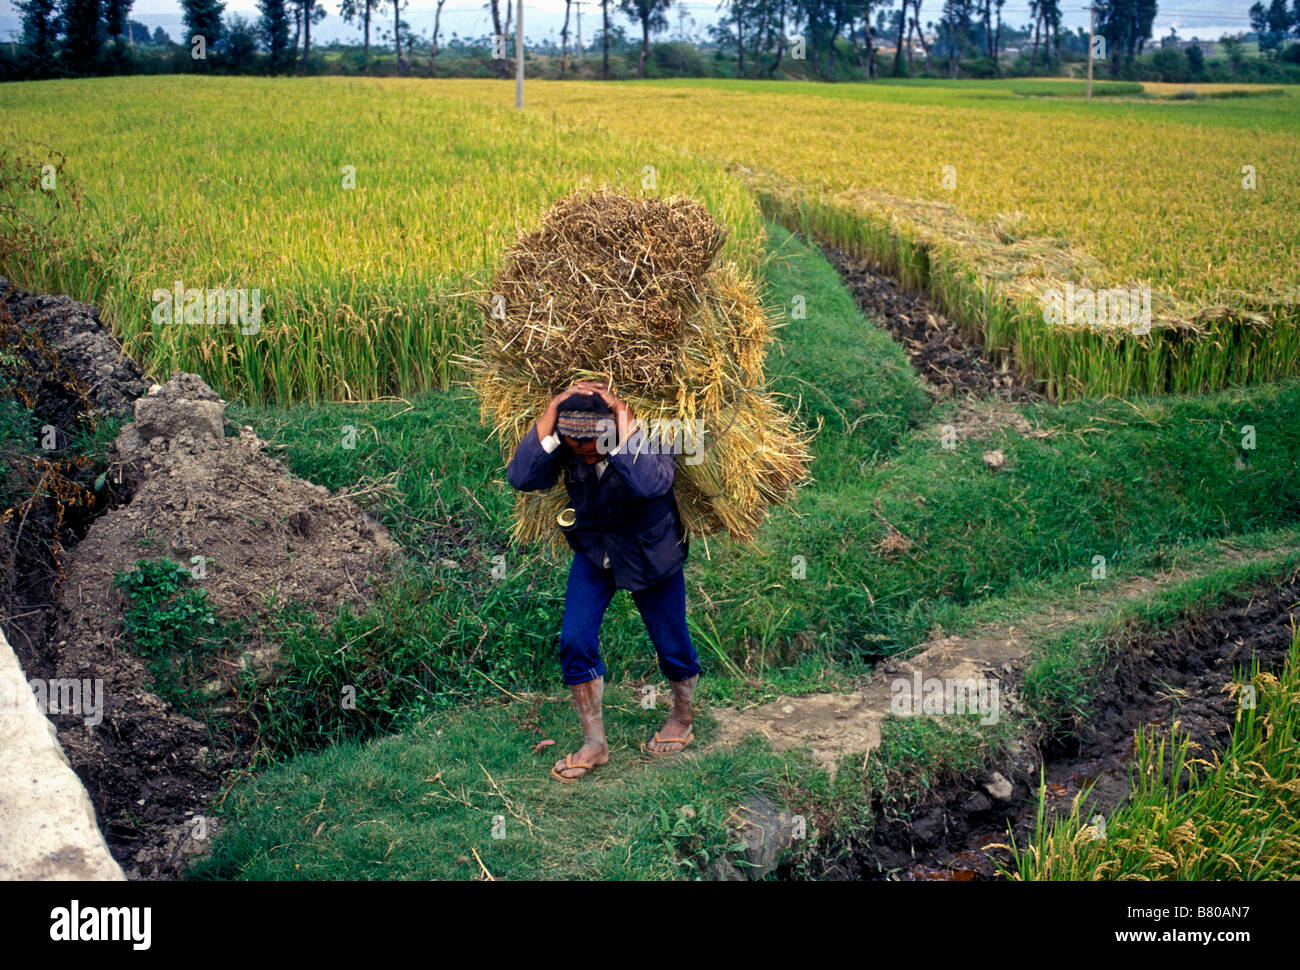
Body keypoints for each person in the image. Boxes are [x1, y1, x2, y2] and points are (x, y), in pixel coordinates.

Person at [506, 379, 701, 782]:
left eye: (595, 447)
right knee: (574, 640)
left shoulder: (650, 438)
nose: (586, 456)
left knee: (672, 641)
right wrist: (552, 409)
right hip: (596, 553)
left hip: (651, 554)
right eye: (576, 449)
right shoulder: (573, 440)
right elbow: (522, 477)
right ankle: (595, 743)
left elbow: (652, 484)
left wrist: (625, 422)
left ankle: (682, 716)